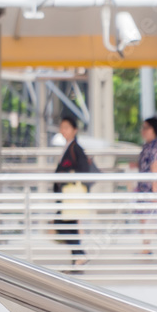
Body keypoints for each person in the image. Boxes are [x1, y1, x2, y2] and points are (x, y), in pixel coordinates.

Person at [53, 114, 91, 270]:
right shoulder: (68, 147)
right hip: (67, 195)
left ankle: (80, 255)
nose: (63, 130)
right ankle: (77, 259)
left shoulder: (76, 148)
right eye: (62, 127)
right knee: (70, 225)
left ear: (74, 130)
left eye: (67, 127)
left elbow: (83, 170)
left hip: (71, 195)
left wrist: (67, 174)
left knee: (61, 224)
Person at [136, 116, 157, 254]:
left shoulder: (156, 147)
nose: (142, 131)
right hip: (145, 188)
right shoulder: (147, 146)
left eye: (146, 128)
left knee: (154, 218)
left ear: (153, 130)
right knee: (147, 218)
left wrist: (155, 192)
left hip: (151, 189)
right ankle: (146, 246)